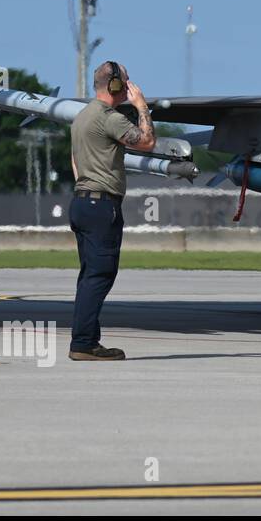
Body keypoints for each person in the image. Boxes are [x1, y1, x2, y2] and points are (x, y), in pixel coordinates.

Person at [67, 61, 156, 361]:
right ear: (115, 84)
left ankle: (86, 340)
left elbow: (75, 161)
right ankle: (82, 343)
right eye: (127, 81)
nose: (130, 86)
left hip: (81, 201)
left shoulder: (81, 117)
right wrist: (142, 107)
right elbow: (147, 141)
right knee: (101, 274)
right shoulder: (108, 118)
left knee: (89, 275)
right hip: (101, 205)